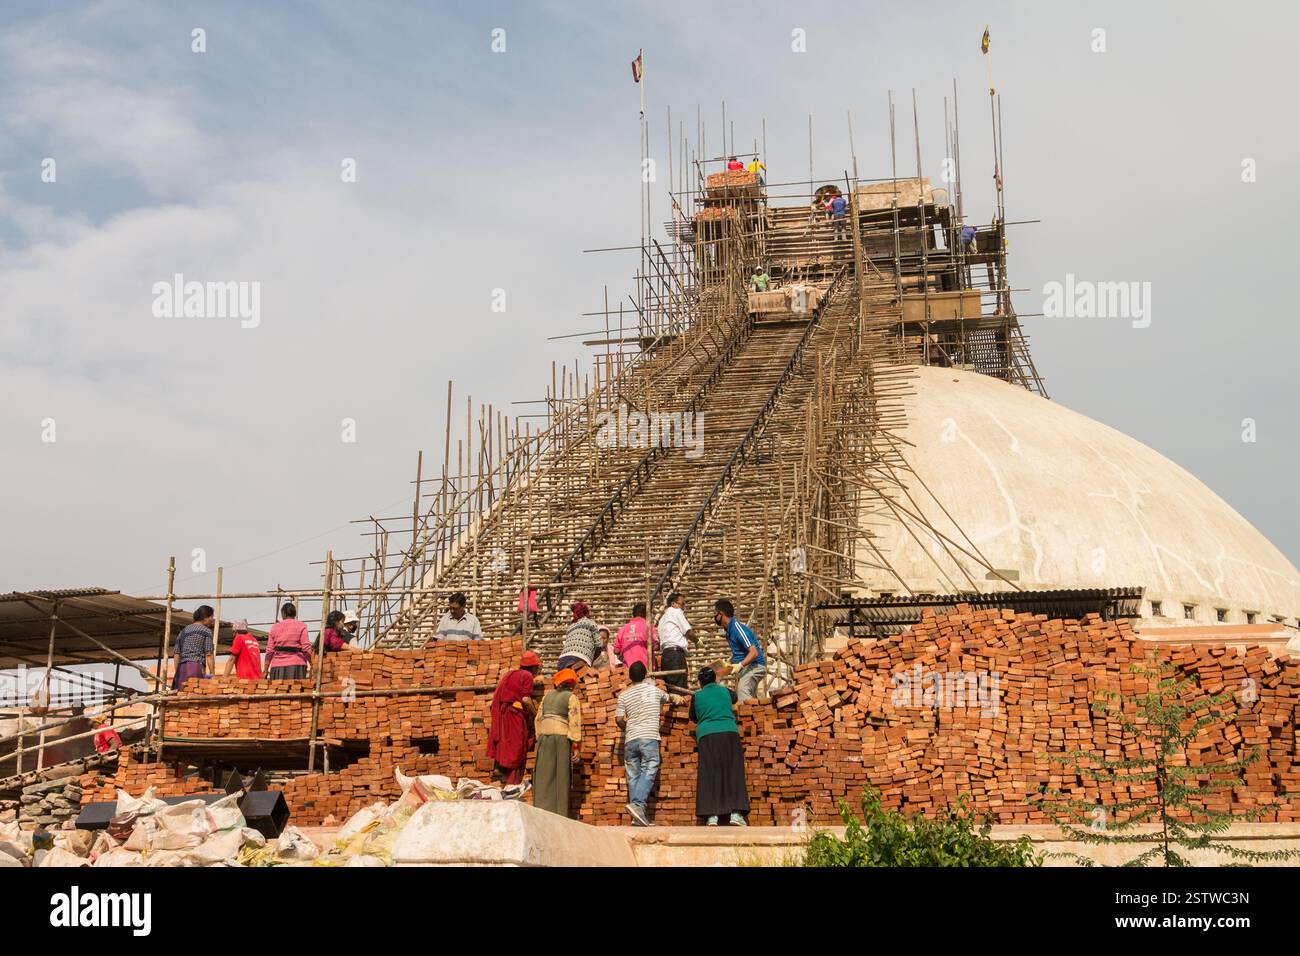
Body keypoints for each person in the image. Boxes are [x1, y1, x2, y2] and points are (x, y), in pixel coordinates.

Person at [689, 666, 749, 826]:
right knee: (734, 772)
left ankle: (712, 816)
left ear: (700, 682)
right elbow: (735, 698)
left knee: (709, 774)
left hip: (707, 736)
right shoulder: (726, 692)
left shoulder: (697, 696)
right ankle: (736, 814)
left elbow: (693, 717)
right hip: (729, 733)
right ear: (715, 678)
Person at [616, 661, 673, 826]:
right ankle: (638, 805)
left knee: (633, 775)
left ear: (630, 677)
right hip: (648, 737)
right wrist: (677, 698)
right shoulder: (654, 691)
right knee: (650, 768)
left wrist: (630, 727)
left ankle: (637, 818)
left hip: (630, 739)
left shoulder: (624, 695)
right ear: (646, 674)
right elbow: (669, 699)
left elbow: (619, 719)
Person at [488, 650, 542, 785]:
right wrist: (536, 715)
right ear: (534, 667)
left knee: (505, 742)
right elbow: (525, 699)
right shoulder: (527, 676)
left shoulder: (511, 674)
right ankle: (511, 781)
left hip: (504, 713)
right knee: (516, 746)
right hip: (514, 714)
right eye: (537, 668)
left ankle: (499, 767)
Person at [533, 668, 582, 817]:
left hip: (544, 737)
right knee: (561, 775)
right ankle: (559, 813)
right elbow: (574, 722)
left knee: (543, 776)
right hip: (561, 738)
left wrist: (539, 738)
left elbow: (538, 719)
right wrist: (576, 746)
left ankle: (541, 811)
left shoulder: (547, 697)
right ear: (571, 684)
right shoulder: (571, 697)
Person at [713, 599, 766, 702]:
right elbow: (740, 652)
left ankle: (747, 718)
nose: (714, 617)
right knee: (750, 700)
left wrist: (740, 665)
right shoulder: (729, 631)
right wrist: (730, 661)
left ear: (721, 613)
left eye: (715, 613)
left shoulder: (737, 628)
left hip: (755, 666)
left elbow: (754, 652)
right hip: (747, 667)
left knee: (742, 691)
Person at [657, 592, 695, 693]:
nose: (683, 608)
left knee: (671, 689)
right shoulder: (676, 612)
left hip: (666, 655)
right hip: (676, 655)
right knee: (680, 689)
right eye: (682, 604)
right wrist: (697, 641)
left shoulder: (662, 619)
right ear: (673, 604)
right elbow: (688, 632)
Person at [172, 606, 216, 690]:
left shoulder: (184, 631)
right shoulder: (206, 631)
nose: (212, 620)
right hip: (195, 667)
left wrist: (177, 672)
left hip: (181, 669)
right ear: (206, 618)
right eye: (211, 617)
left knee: (180, 697)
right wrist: (212, 674)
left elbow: (176, 653)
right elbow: (209, 654)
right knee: (194, 696)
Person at [265, 602, 312, 680]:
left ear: (283, 613)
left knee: (279, 691)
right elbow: (306, 648)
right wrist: (312, 664)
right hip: (297, 666)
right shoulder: (302, 626)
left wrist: (265, 670)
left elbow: (269, 651)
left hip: (277, 667)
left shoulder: (274, 628)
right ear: (295, 613)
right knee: (296, 691)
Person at [557, 602, 604, 672]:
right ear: (586, 612)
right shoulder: (590, 622)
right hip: (580, 659)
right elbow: (599, 645)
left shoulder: (571, 626)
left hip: (562, 660)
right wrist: (591, 659)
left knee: (564, 682)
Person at [612, 603, 657, 671]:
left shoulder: (623, 629)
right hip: (645, 669)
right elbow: (656, 646)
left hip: (628, 671)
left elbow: (616, 651)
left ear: (633, 614)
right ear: (646, 614)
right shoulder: (649, 627)